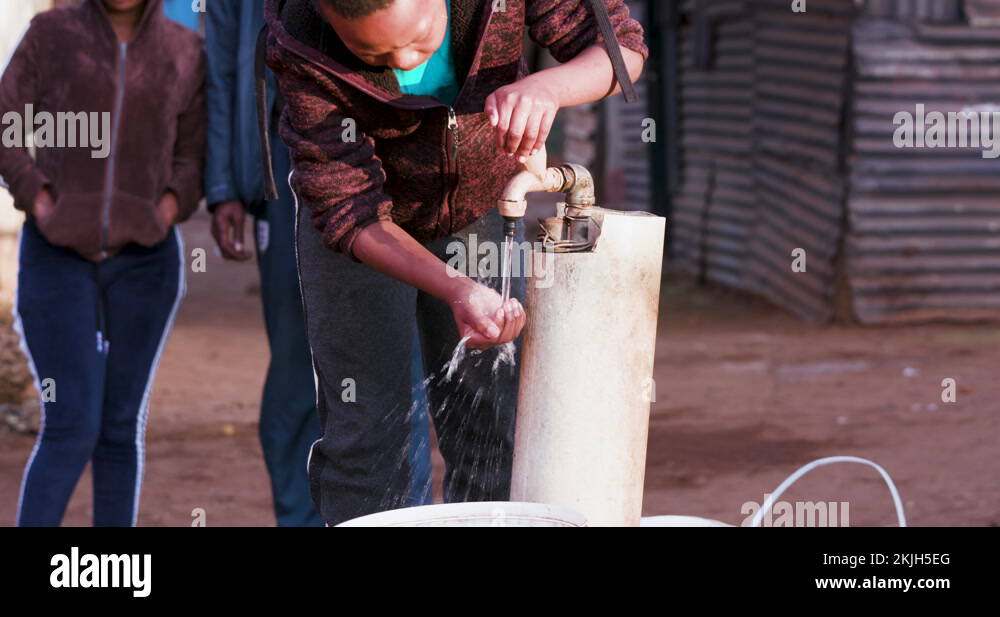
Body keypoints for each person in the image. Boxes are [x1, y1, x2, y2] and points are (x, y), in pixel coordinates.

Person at [264, 0, 647, 525]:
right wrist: (458, 289)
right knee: (370, 430)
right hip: (362, 233)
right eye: (371, 51)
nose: (401, 63)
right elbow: (347, 208)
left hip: (475, 203)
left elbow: (623, 48)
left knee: (491, 416)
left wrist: (548, 88)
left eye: (420, 39)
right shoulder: (300, 42)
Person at [204, 0, 431, 527]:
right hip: (283, 166)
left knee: (399, 357)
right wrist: (224, 184)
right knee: (297, 359)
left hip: (401, 139)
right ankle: (302, 518)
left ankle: (405, 515)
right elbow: (221, 66)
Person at [0, 0, 205, 526]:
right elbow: (7, 126)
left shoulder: (184, 51)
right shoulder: (49, 33)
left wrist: (165, 208)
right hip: (55, 258)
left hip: (147, 265)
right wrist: (41, 199)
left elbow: (193, 153)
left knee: (119, 427)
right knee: (71, 423)